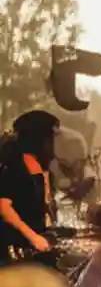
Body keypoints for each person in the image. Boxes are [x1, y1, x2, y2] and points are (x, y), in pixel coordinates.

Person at [0, 110, 62, 266]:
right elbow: (4, 208)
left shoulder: (41, 167)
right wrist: (33, 237)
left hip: (36, 248)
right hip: (14, 253)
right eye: (51, 137)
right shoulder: (14, 165)